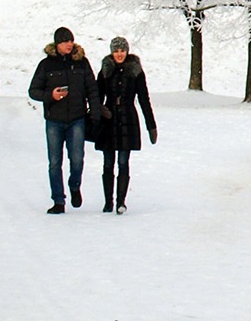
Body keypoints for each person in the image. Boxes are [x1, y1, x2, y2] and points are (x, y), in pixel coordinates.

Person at [28, 27, 99, 213]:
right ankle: (58, 201)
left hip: (77, 118)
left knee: (77, 159)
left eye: (71, 40)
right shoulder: (46, 65)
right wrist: (50, 95)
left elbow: (92, 88)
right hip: (54, 120)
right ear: (57, 44)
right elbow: (33, 91)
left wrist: (95, 111)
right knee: (54, 162)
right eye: (65, 41)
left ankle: (74, 186)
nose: (69, 44)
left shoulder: (82, 63)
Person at [91, 37, 157, 214]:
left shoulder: (136, 71)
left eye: (122, 50)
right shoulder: (105, 70)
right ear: (112, 52)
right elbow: (96, 96)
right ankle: (108, 202)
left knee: (123, 162)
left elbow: (144, 99)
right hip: (109, 120)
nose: (119, 54)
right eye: (116, 51)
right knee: (108, 162)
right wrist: (100, 110)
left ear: (127, 51)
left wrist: (151, 125)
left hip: (128, 118)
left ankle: (121, 201)